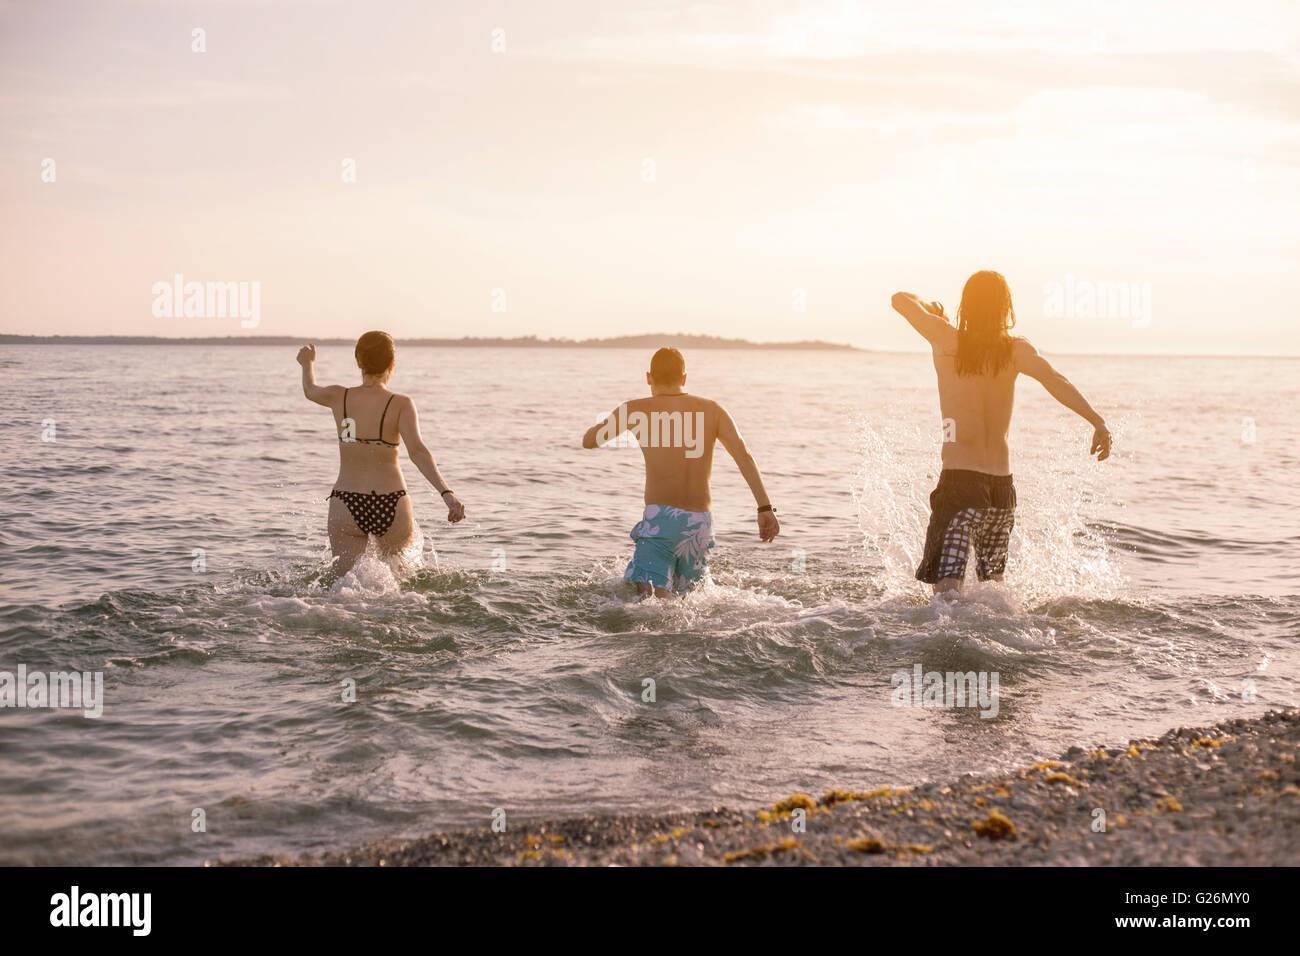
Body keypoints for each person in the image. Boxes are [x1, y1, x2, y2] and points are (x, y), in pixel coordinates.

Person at [891, 271, 1111, 594]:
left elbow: (899, 300)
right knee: (994, 591)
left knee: (947, 594)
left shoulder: (945, 338)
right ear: (1005, 307)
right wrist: (1098, 422)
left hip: (960, 486)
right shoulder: (1015, 350)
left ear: (966, 304)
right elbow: (1056, 381)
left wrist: (933, 305)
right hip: (1001, 492)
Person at [581, 347, 779, 598]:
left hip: (660, 520)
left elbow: (590, 441)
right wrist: (765, 509)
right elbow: (744, 456)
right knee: (690, 603)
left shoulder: (634, 410)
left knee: (652, 607)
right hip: (700, 524)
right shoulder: (713, 410)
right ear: (684, 378)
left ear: (648, 378)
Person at [297, 331, 465, 576]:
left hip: (347, 501)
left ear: (358, 362)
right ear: (391, 364)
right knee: (398, 590)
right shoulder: (401, 404)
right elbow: (418, 452)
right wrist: (447, 494)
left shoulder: (339, 396)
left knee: (346, 589)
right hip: (392, 502)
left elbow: (310, 390)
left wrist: (307, 364)